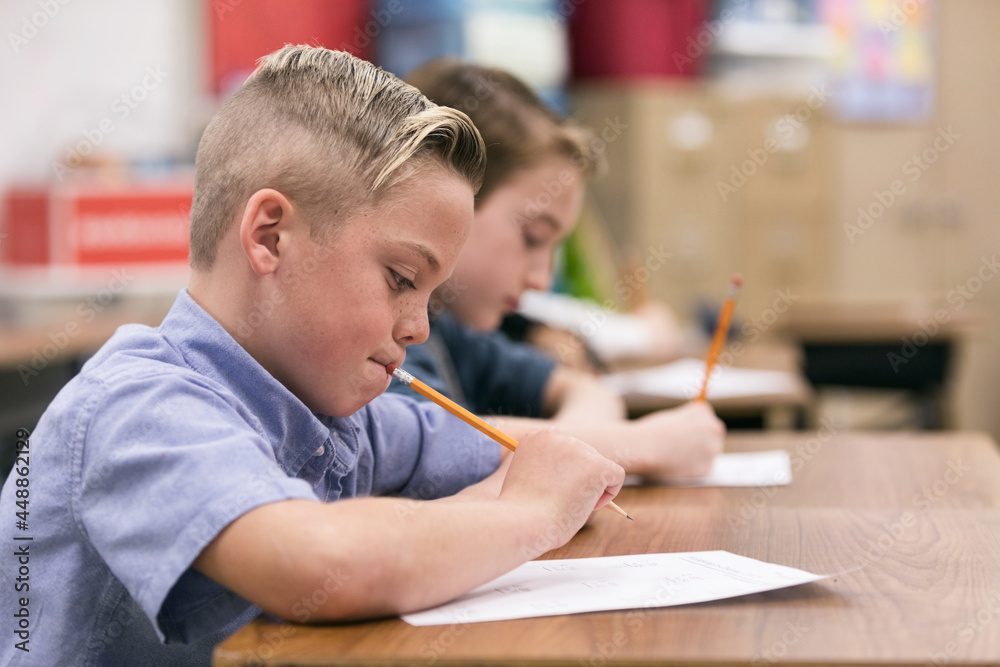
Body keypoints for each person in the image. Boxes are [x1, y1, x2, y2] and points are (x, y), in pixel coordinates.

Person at [0, 46, 626, 666]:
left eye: (431, 296)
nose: (419, 329)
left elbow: (490, 443)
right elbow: (319, 565)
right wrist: (531, 513)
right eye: (403, 279)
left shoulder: (320, 410)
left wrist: (619, 454)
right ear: (270, 237)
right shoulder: (140, 406)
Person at [386, 60, 725, 481]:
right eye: (532, 238)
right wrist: (643, 445)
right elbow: (431, 446)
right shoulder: (389, 333)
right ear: (451, 205)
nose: (541, 280)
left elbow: (585, 389)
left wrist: (572, 442)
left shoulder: (447, 330)